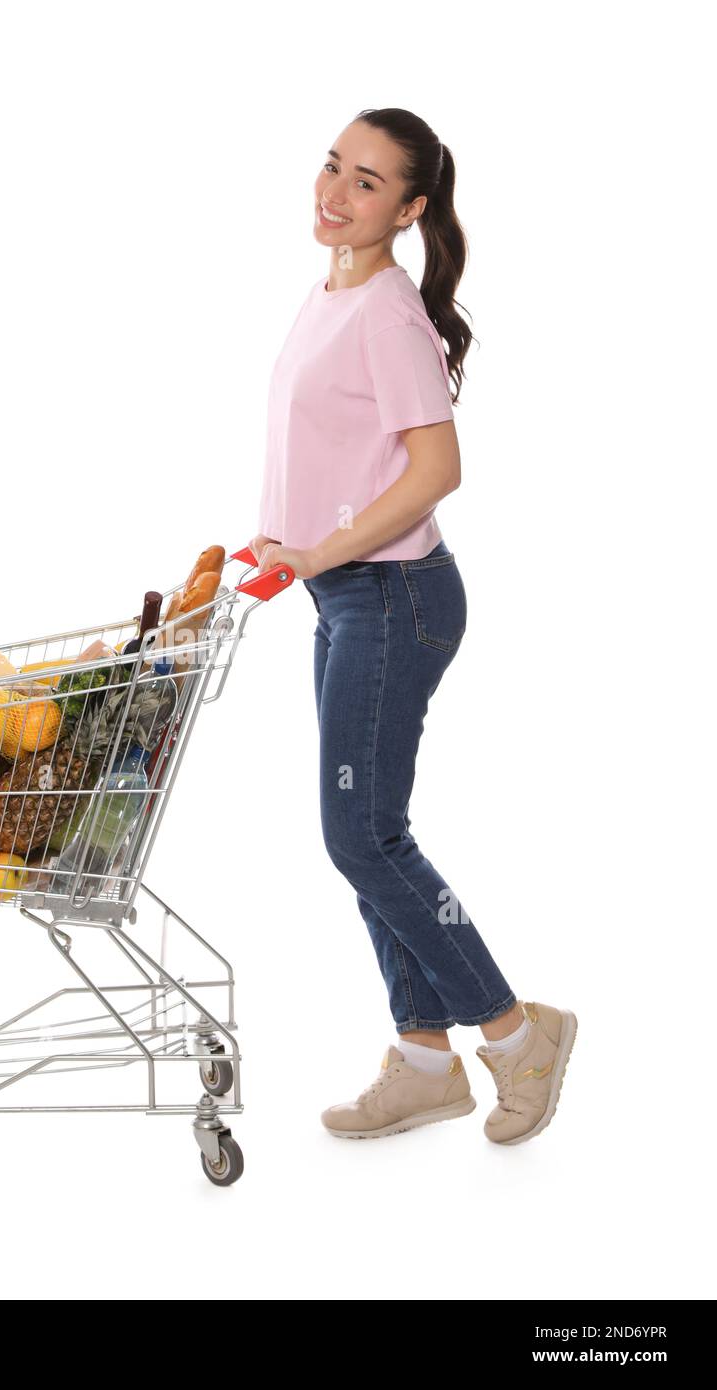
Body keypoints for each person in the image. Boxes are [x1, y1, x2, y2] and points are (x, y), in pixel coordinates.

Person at [250, 107, 576, 1145]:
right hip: (344, 594)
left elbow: (438, 473)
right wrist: (279, 543)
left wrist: (319, 550)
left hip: (392, 601)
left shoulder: (388, 311)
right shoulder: (332, 287)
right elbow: (338, 453)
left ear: (411, 208)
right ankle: (426, 1056)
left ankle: (522, 1037)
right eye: (333, 167)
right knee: (367, 840)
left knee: (363, 835)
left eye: (366, 183)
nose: (334, 192)